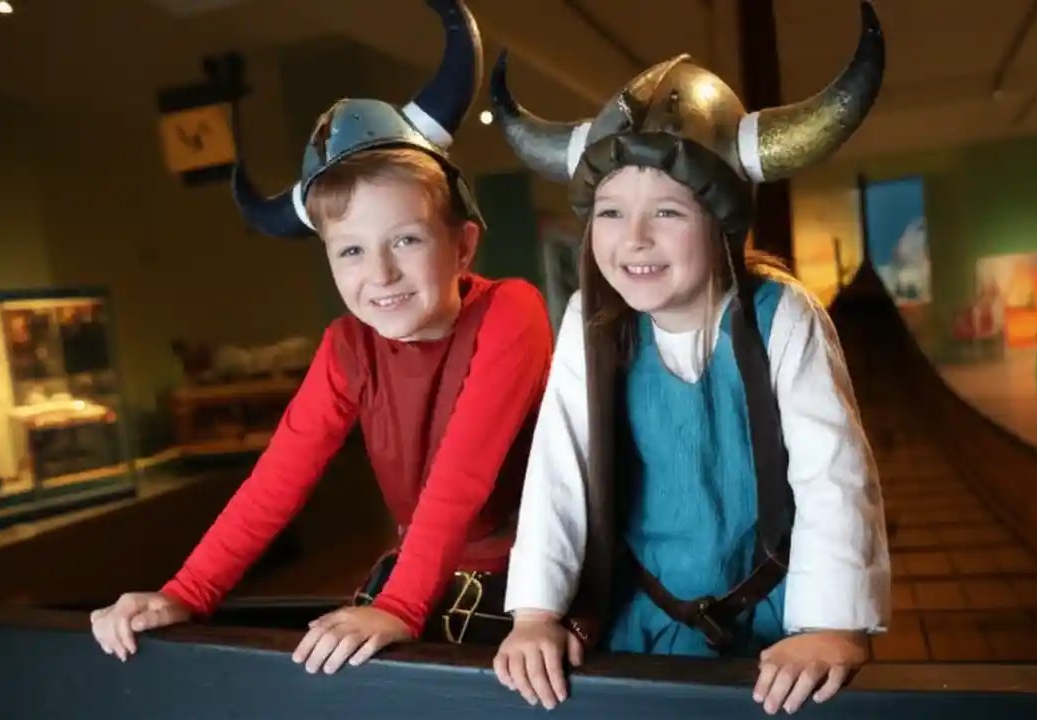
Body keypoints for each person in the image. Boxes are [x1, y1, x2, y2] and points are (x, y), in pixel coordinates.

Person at [89, 0, 553, 676]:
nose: (381, 275)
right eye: (351, 253)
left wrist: (398, 605)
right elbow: (275, 482)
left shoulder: (513, 310)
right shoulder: (346, 346)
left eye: (406, 240)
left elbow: (462, 479)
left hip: (536, 587)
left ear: (464, 246)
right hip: (423, 571)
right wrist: (186, 591)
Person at [487, 0, 890, 714]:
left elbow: (833, 474)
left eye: (668, 212)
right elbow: (560, 467)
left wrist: (831, 625)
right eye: (610, 212)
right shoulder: (593, 321)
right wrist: (536, 615)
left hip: (776, 624)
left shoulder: (780, 316)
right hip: (640, 621)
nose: (633, 238)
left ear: (723, 219)